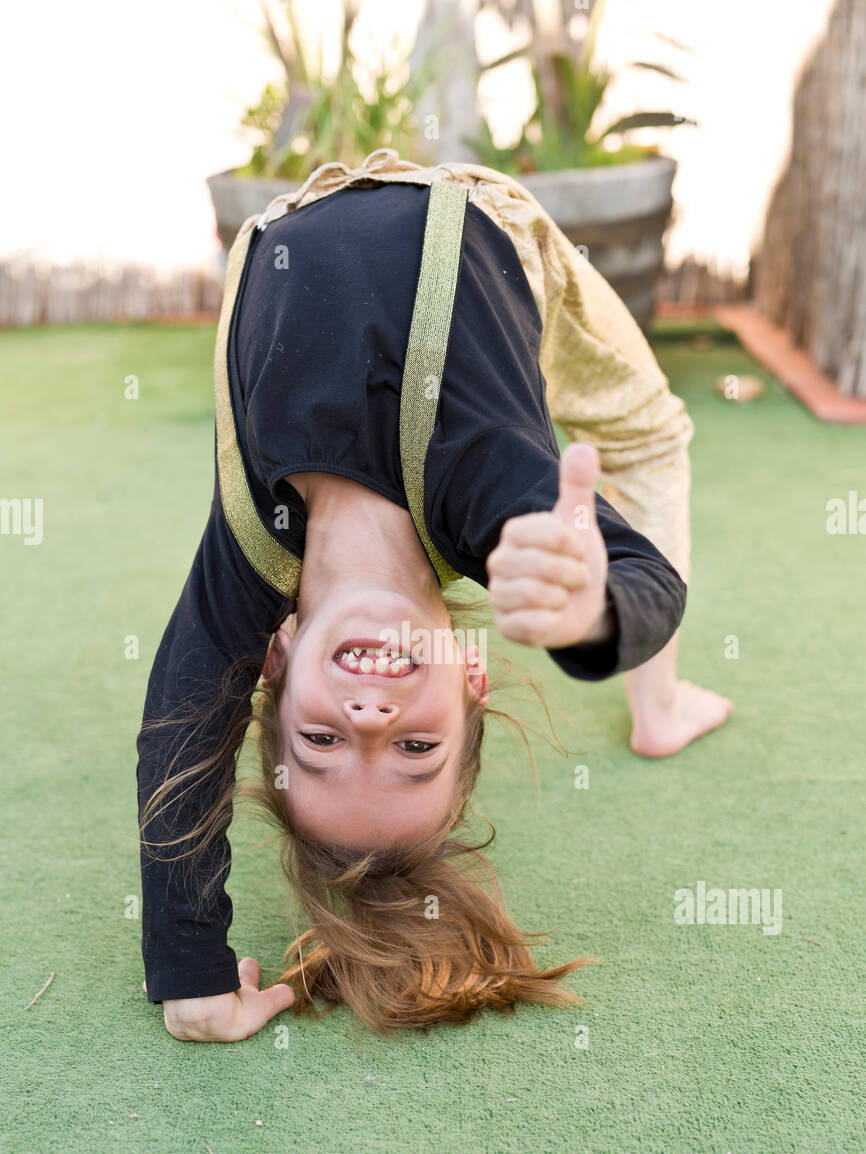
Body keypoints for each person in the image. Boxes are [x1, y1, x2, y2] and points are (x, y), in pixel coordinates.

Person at [137, 153, 724, 1042]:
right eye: (416, 745)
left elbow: (178, 733)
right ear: (470, 675)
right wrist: (592, 616)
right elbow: (651, 581)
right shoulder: (488, 488)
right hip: (482, 220)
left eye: (323, 739)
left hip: (307, 200)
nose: (370, 713)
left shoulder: (251, 551)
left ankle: (663, 708)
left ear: (274, 661)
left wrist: (192, 976)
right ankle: (659, 704)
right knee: (647, 438)